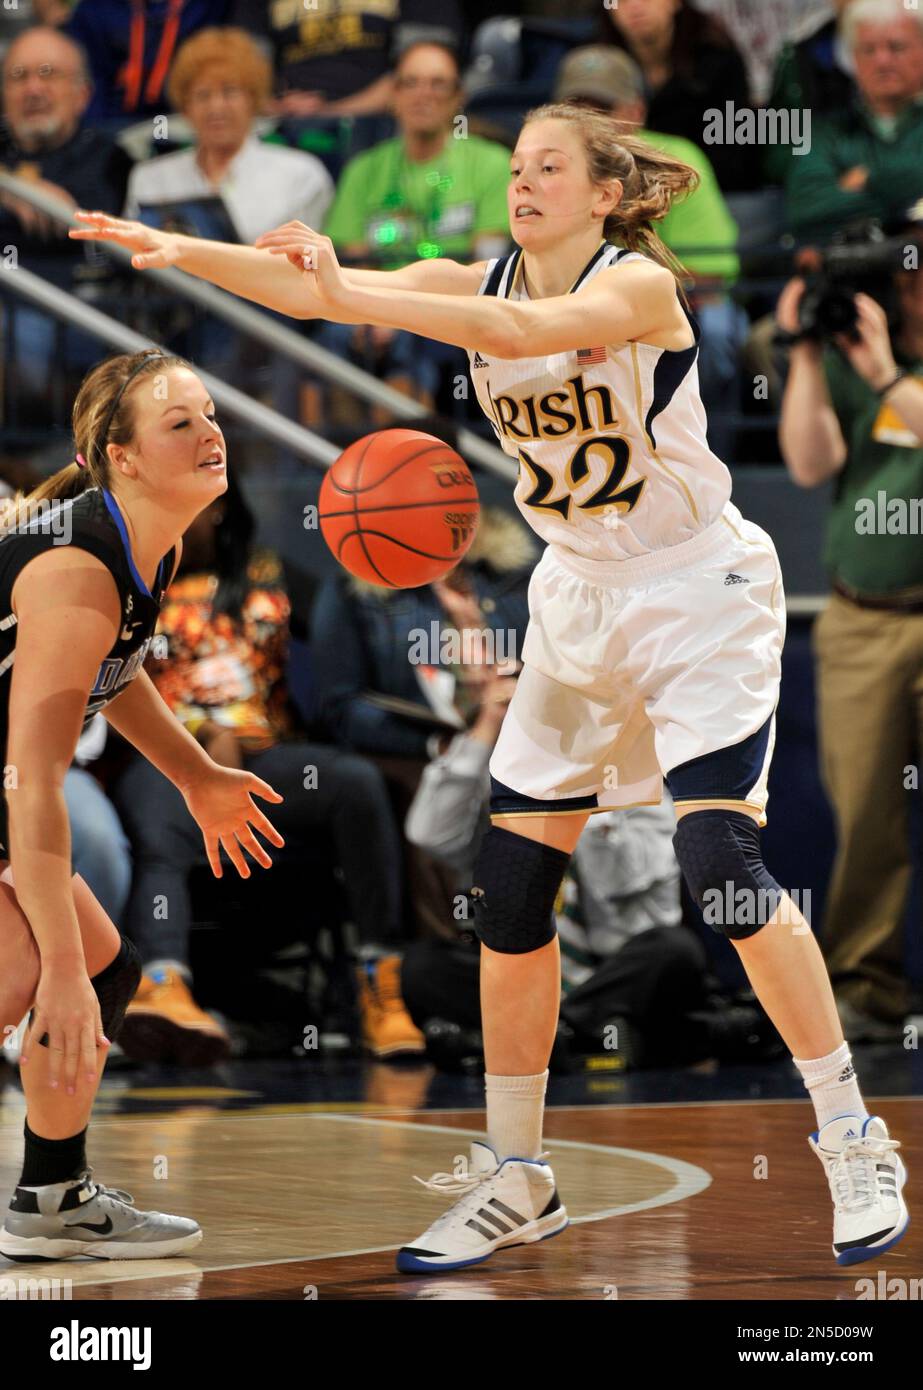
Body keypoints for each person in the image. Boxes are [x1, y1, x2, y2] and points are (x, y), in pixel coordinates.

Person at [70, 99, 910, 1276]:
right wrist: (178, 253)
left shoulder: (633, 291)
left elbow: (513, 333)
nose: (521, 183)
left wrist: (357, 289)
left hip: (695, 590)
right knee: (508, 891)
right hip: (578, 595)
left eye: (547, 168)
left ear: (603, 192)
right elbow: (314, 289)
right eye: (514, 165)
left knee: (720, 867)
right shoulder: (476, 272)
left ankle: (848, 1132)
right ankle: (517, 1175)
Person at [0, 347, 284, 1261]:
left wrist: (196, 774)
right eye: (180, 422)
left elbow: (112, 678)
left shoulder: (135, 545)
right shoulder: (77, 567)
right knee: (48, 977)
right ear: (121, 455)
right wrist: (60, 972)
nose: (210, 433)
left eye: (209, 414)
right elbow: (34, 778)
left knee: (103, 970)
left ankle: (52, 1195)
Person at [110, 466, 420, 1064]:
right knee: (158, 815)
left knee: (354, 784)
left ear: (218, 509)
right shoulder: (132, 582)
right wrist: (202, 738)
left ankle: (382, 983)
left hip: (270, 755)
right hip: (162, 755)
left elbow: (345, 610)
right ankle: (165, 988)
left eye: (191, 508)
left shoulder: (266, 574)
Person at [777, 260, 923, 1042]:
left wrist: (888, 376)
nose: (913, 283)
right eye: (907, 266)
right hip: (862, 620)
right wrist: (804, 349)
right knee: (865, 813)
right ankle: (864, 993)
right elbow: (807, 463)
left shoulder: (885, 369)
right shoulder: (852, 361)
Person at [552, 44, 744, 456]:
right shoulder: (546, 169)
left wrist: (626, 301)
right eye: (575, 110)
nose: (588, 125)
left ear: (635, 111)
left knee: (722, 326)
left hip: (671, 307)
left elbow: (710, 274)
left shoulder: (675, 158)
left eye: (600, 109)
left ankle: (702, 454)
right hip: (578, 311)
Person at [318, 40, 509, 418]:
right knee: (327, 337)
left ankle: (410, 457)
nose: (424, 94)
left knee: (412, 345)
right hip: (372, 308)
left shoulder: (492, 164)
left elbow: (486, 265)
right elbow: (355, 261)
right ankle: (311, 466)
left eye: (438, 84)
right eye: (411, 82)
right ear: (394, 94)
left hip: (451, 307)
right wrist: (379, 312)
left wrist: (401, 312)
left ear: (458, 97)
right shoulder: (364, 169)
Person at [0, 27, 133, 402]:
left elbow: (73, 218)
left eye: (48, 74)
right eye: (18, 76)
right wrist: (11, 186)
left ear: (83, 94)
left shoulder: (107, 155)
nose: (33, 89)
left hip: (62, 312)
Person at [786, 0, 923, 244]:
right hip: (851, 269)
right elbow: (808, 212)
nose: (882, 60)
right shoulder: (825, 134)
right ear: (853, 60)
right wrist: (907, 203)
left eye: (896, 47)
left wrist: (867, 180)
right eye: (868, 49)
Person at [598, 0, 758, 193]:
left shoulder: (718, 60)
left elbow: (731, 155)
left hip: (714, 190)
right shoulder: (593, 65)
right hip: (624, 190)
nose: (635, 6)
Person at [228, 0, 464, 118]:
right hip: (283, 122)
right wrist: (275, 105)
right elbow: (241, 69)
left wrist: (331, 111)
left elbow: (424, 66)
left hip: (380, 118)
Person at [65, 0, 231, 125]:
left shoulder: (213, 6)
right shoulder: (95, 9)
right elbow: (90, 80)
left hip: (188, 122)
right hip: (114, 124)